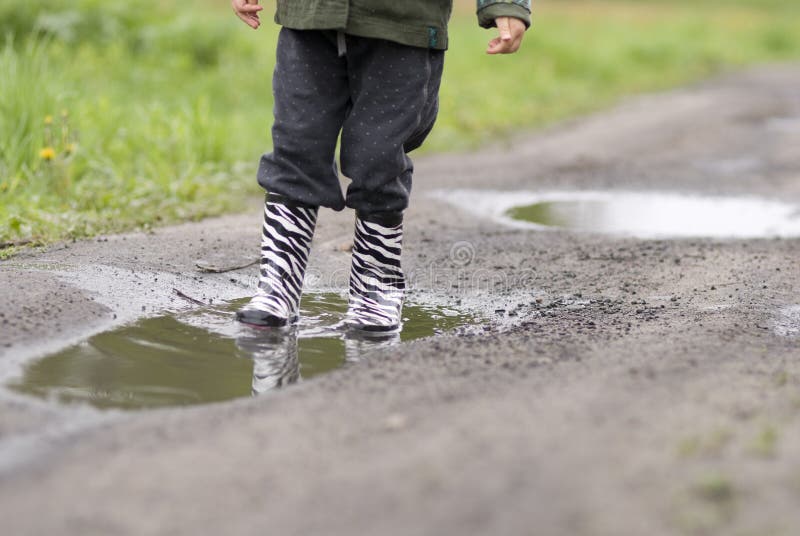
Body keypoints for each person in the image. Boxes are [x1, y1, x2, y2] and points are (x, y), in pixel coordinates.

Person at [232, 0, 530, 333]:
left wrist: (506, 5)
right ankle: (277, 285)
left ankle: (376, 286)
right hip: (309, 18)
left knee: (379, 156)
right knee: (296, 144)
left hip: (402, 25)